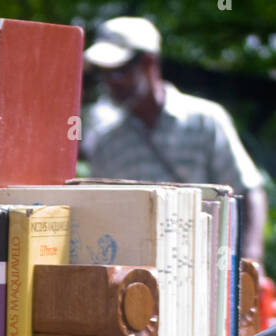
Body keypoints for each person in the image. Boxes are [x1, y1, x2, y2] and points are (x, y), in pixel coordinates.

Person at [82, 16, 268, 263]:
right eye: (104, 75)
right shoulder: (106, 141)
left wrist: (251, 258)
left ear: (149, 62)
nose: (111, 84)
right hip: (136, 279)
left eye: (119, 73)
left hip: (205, 269)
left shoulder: (205, 120)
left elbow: (249, 190)